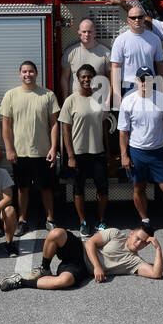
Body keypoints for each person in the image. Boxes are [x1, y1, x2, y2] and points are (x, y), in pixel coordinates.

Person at [118, 68, 163, 235]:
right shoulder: (128, 101)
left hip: (158, 151)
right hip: (137, 151)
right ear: (136, 81)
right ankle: (145, 221)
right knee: (139, 187)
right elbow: (123, 132)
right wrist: (124, 155)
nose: (144, 83)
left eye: (148, 79)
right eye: (141, 79)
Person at [0, 224, 163, 291]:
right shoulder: (115, 234)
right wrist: (98, 266)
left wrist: (158, 249)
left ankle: (21, 282)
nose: (138, 243)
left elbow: (156, 273)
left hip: (82, 269)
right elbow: (90, 243)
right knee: (56, 233)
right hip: (80, 250)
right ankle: (44, 268)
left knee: (64, 282)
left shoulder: (135, 262)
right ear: (131, 234)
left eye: (143, 243)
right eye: (137, 238)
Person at [0, 60, 60, 234]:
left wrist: (53, 148)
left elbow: (54, 124)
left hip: (43, 151)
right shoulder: (11, 95)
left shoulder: (48, 95)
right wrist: (9, 149)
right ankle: (21, 219)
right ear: (20, 74)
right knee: (22, 188)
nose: (28, 75)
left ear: (36, 73)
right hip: (20, 152)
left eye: (31, 71)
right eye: (24, 72)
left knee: (46, 187)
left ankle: (50, 219)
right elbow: (6, 125)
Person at [60, 64, 111, 235]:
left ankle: (102, 220)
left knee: (102, 189)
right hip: (78, 154)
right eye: (83, 77)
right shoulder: (71, 100)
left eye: (90, 76)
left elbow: (104, 127)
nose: (86, 79)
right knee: (78, 189)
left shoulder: (99, 99)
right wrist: (70, 155)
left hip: (98, 152)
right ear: (78, 79)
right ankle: (82, 222)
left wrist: (108, 150)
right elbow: (65, 131)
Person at [110, 5, 163, 104]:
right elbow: (115, 67)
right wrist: (117, 93)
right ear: (128, 20)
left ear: (144, 18)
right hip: (128, 86)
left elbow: (160, 64)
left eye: (140, 17)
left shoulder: (155, 39)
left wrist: (160, 88)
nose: (137, 20)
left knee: (150, 117)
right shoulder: (120, 40)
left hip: (149, 85)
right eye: (133, 18)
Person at [61, 18, 111, 101]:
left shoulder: (106, 53)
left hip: (98, 101)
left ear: (95, 33)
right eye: (84, 31)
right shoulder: (70, 53)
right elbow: (64, 78)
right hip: (76, 101)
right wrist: (66, 100)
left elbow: (111, 79)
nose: (87, 34)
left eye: (90, 32)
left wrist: (108, 100)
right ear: (79, 33)